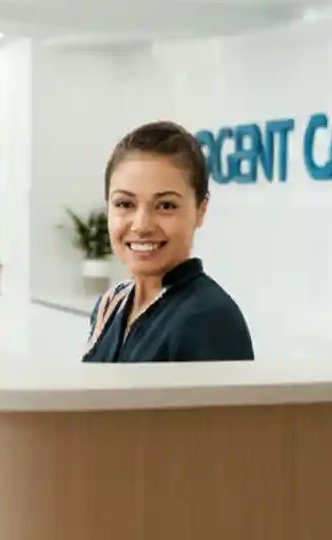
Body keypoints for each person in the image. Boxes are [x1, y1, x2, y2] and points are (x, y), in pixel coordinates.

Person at [82, 120, 254, 363]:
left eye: (166, 206)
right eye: (125, 204)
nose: (141, 225)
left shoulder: (208, 319)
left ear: (200, 210)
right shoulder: (112, 304)